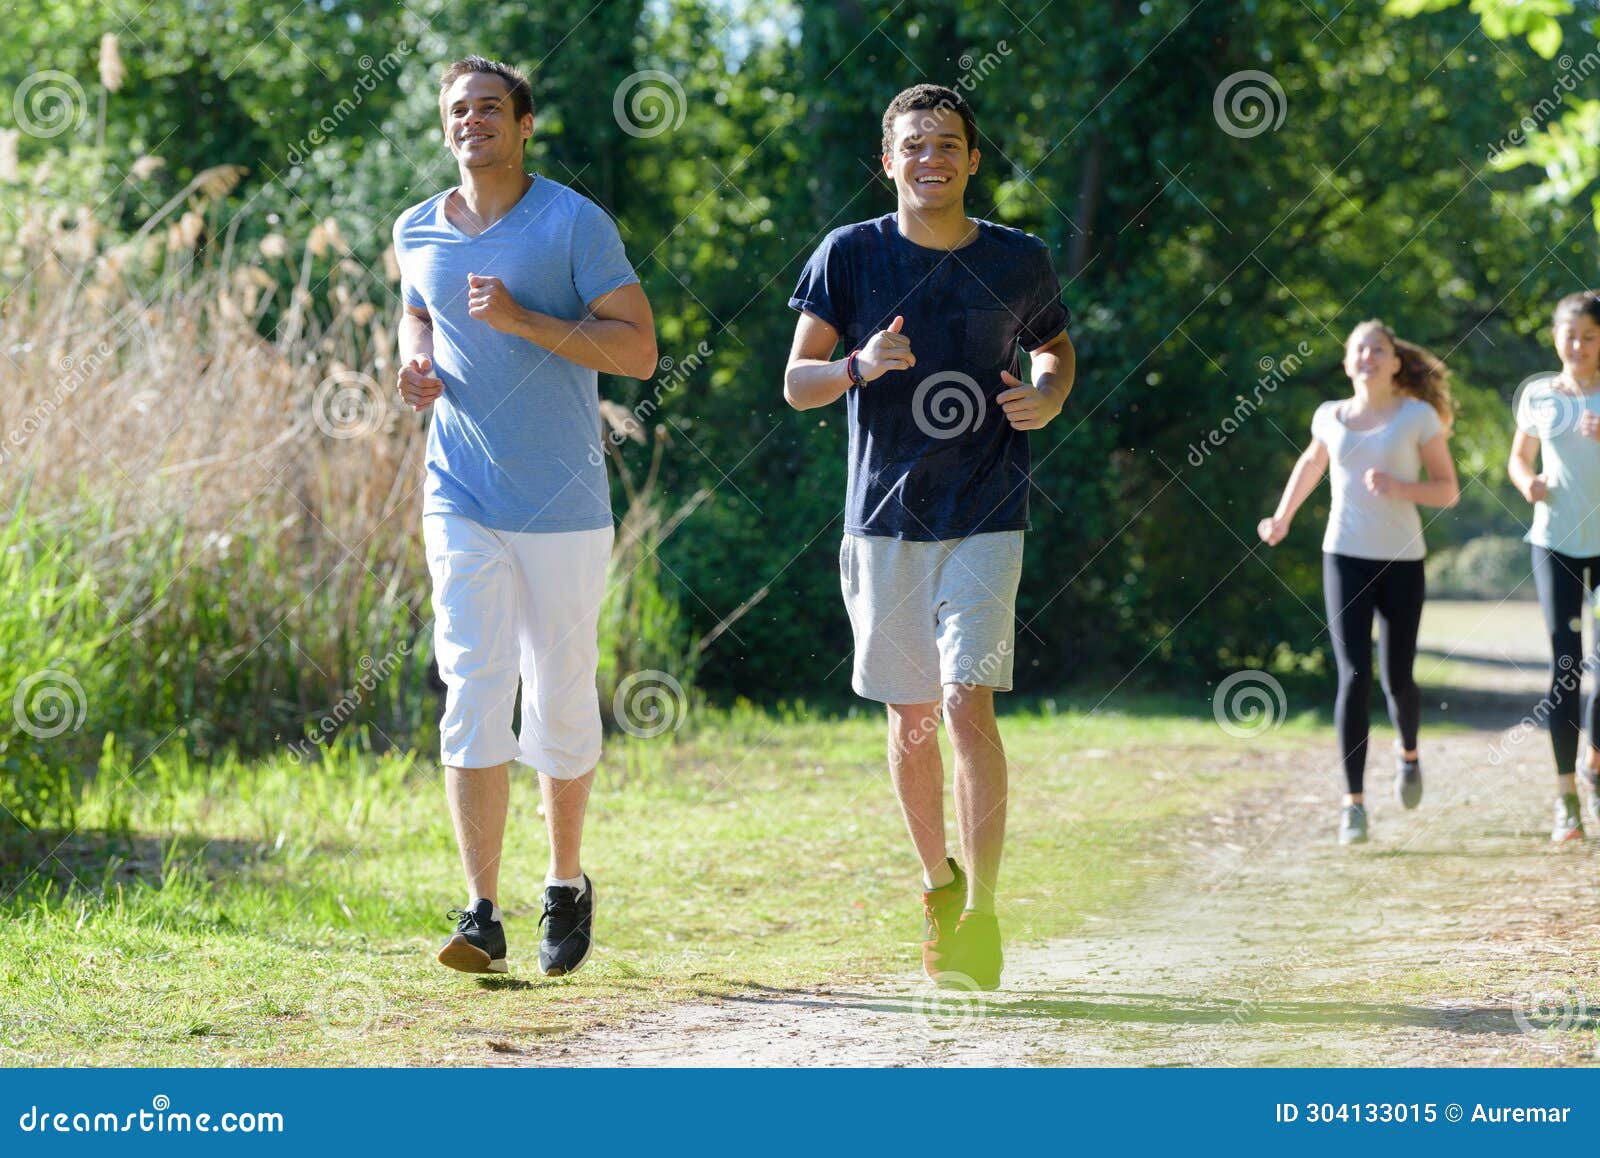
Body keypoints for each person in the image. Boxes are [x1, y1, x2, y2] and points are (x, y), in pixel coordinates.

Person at [784, 84, 1075, 990]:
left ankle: (984, 912)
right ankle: (937, 888)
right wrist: (858, 365)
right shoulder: (850, 255)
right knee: (911, 718)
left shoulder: (1018, 257)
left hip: (989, 511)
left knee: (966, 703)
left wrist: (1050, 390)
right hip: (883, 521)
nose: (931, 158)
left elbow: (1055, 347)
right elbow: (798, 383)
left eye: (947, 143)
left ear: (972, 160)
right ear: (889, 160)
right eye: (914, 145)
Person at [391, 56, 657, 974]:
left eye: (490, 109)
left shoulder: (573, 222)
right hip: (459, 492)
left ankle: (565, 884)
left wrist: (524, 321)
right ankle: (479, 914)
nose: (473, 122)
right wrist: (416, 361)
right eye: (459, 110)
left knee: (559, 694)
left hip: (564, 504)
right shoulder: (416, 227)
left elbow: (639, 351)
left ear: (524, 123)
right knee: (471, 690)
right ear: (445, 125)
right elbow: (417, 314)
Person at [1258, 320, 1459, 845]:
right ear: (1347, 363)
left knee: (1397, 677)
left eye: (1378, 349)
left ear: (1395, 362)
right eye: (1359, 350)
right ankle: (1353, 804)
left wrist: (1399, 487)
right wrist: (1282, 517)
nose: (1368, 356)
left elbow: (1448, 491)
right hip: (1343, 556)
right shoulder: (1330, 416)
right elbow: (1310, 464)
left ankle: (1409, 756)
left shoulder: (1417, 416)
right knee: (1353, 676)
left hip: (1402, 561)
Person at [1507, 291, 1600, 842]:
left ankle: (1595, 760)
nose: (1579, 345)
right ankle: (1566, 797)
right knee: (1565, 667)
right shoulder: (1540, 395)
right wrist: (1528, 483)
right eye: (1570, 335)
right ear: (1555, 336)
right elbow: (1518, 457)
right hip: (1554, 544)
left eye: (1589, 336)